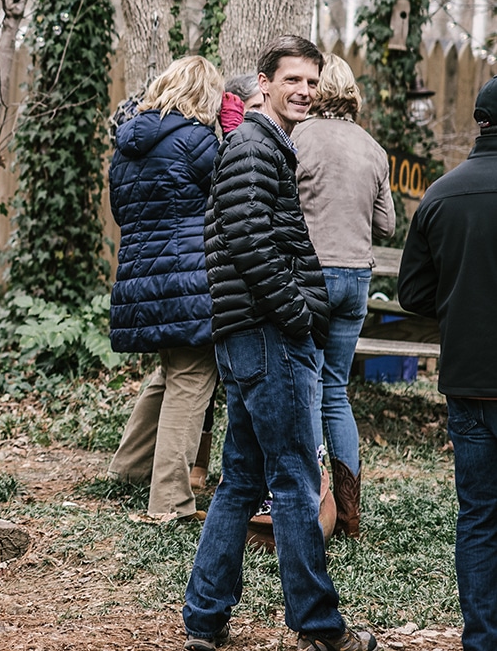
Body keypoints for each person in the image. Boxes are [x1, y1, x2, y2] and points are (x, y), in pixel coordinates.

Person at [181, 35, 376, 651]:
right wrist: (296, 314)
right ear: (263, 82)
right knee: (293, 477)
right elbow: (246, 238)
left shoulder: (269, 146)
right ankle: (321, 629)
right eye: (293, 79)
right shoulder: (251, 147)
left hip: (253, 336)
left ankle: (204, 622)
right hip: (266, 337)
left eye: (313, 83)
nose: (305, 91)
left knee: (241, 481)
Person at [398, 75, 497, 651]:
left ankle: (482, 640)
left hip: (470, 384)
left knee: (480, 519)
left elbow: (412, 294)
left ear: (480, 123)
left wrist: (462, 300)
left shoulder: (441, 194)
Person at [105, 56, 223, 525]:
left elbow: (120, 212)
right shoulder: (197, 140)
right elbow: (225, 192)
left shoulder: (127, 144)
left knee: (170, 373)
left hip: (140, 276)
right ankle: (169, 500)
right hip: (189, 275)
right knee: (193, 380)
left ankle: (129, 469)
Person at [294, 54, 393, 538]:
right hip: (356, 278)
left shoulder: (300, 137)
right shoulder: (373, 149)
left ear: (317, 91)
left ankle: (317, 508)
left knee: (308, 386)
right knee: (336, 390)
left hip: (312, 277)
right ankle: (351, 515)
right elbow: (387, 224)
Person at [189, 73, 264, 492]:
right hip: (212, 274)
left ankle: (223, 469)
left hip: (235, 283)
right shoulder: (218, 147)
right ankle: (198, 465)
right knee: (206, 378)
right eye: (248, 111)